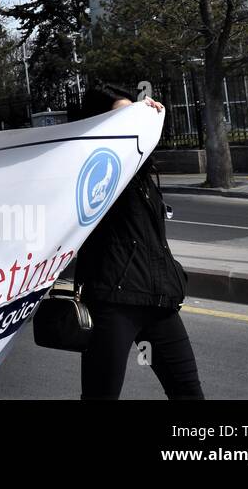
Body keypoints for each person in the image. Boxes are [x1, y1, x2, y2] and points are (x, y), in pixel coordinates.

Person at [73, 85, 203, 400]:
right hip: (113, 301)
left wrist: (154, 115)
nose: (131, 121)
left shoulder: (142, 167)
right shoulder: (92, 168)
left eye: (134, 113)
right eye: (122, 114)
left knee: (188, 393)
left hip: (159, 299)